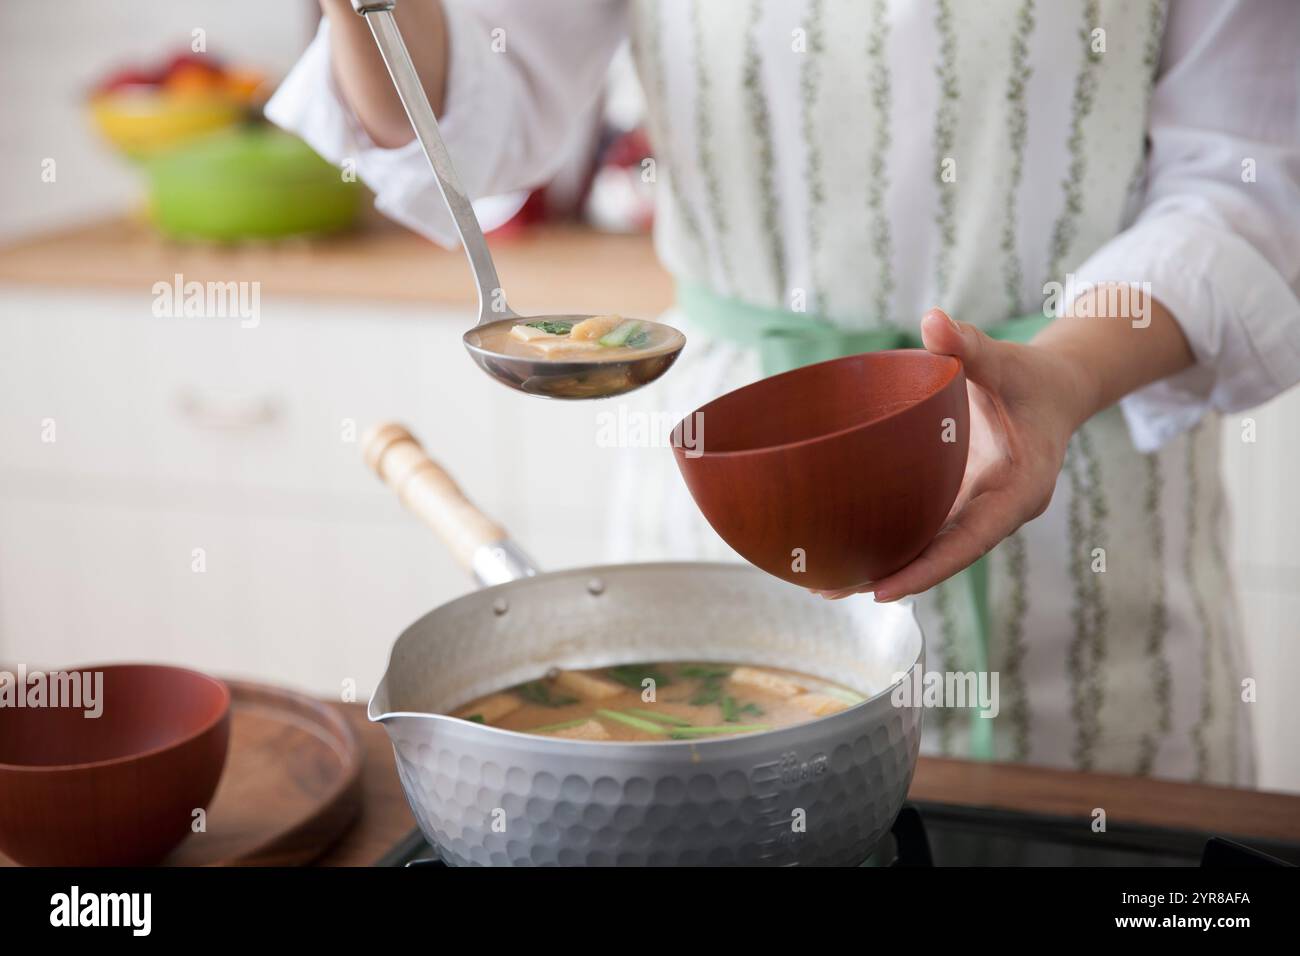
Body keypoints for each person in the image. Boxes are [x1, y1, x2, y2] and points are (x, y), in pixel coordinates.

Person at [268, 0, 1300, 785]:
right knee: (733, 797)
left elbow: (1247, 182)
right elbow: (458, 122)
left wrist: (1060, 375)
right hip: (728, 514)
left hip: (1087, 503)